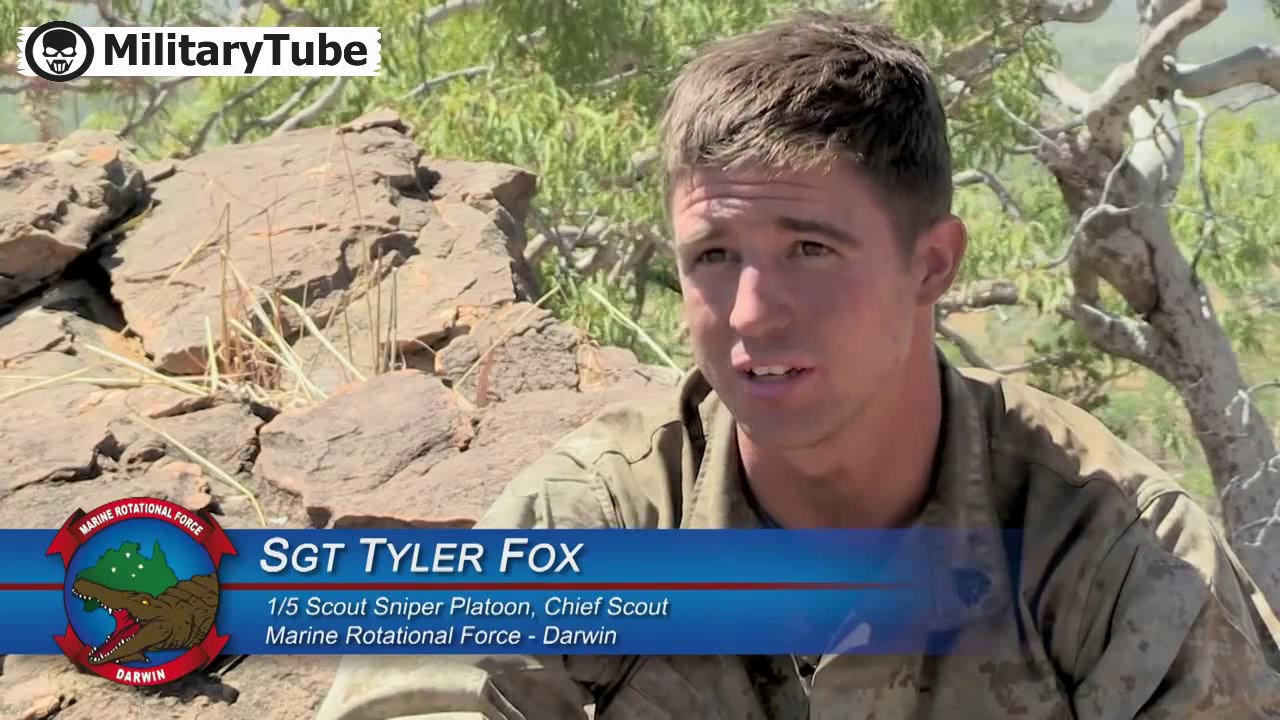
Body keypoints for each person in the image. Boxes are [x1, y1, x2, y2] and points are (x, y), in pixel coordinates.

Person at [316, 10, 1280, 719]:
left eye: (811, 251)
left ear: (931, 263)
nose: (751, 314)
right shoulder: (616, 511)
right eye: (713, 257)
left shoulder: (1113, 551)